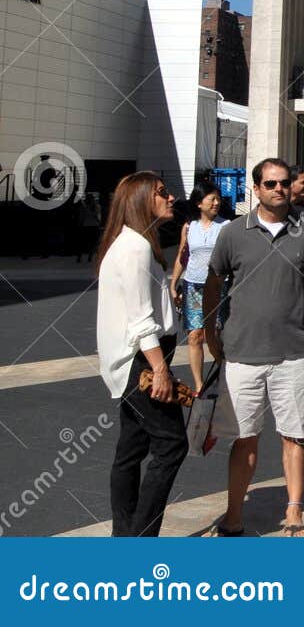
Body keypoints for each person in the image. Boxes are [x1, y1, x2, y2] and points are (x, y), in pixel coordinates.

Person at [203, 159, 304, 537]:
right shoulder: (232, 233)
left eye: (284, 182)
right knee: (244, 438)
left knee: (295, 434)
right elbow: (213, 285)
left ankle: (295, 511)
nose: (279, 188)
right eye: (270, 183)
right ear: (256, 189)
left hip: (293, 355)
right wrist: (212, 336)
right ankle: (233, 514)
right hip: (243, 354)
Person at [95, 171, 185, 536]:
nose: (171, 198)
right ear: (140, 201)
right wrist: (161, 371)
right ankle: (141, 538)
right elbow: (140, 321)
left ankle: (124, 534)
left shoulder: (131, 243)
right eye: (162, 193)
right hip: (142, 362)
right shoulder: (133, 248)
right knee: (171, 443)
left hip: (137, 360)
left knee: (131, 449)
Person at [169, 180, 224, 392]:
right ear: (199, 203)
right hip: (192, 285)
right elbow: (183, 256)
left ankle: (225, 375)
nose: (216, 203)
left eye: (218, 199)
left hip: (218, 286)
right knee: (195, 336)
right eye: (212, 199)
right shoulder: (189, 227)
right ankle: (199, 385)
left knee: (216, 335)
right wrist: (174, 284)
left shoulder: (226, 226)